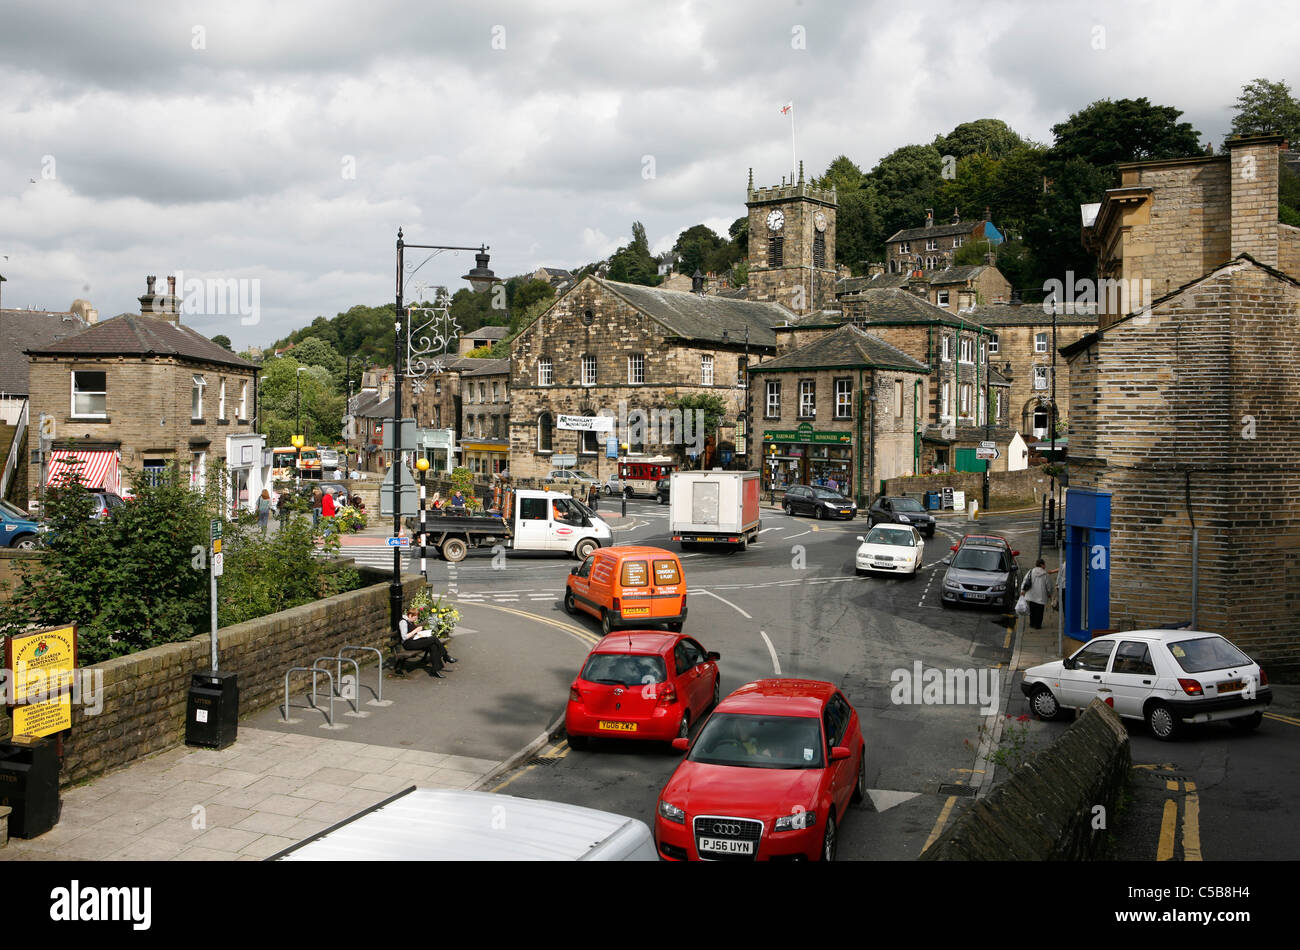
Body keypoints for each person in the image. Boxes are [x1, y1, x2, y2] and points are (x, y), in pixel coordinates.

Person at [1021, 559, 1058, 630]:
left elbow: (1025, 581)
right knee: (1039, 611)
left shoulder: (1030, 571)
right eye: (1044, 564)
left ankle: (1032, 623)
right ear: (1041, 565)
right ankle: (1037, 625)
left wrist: (1022, 590)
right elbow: (1049, 586)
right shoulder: (1045, 574)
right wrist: (1049, 593)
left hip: (1031, 595)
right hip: (1041, 596)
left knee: (1032, 610)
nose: (1045, 566)